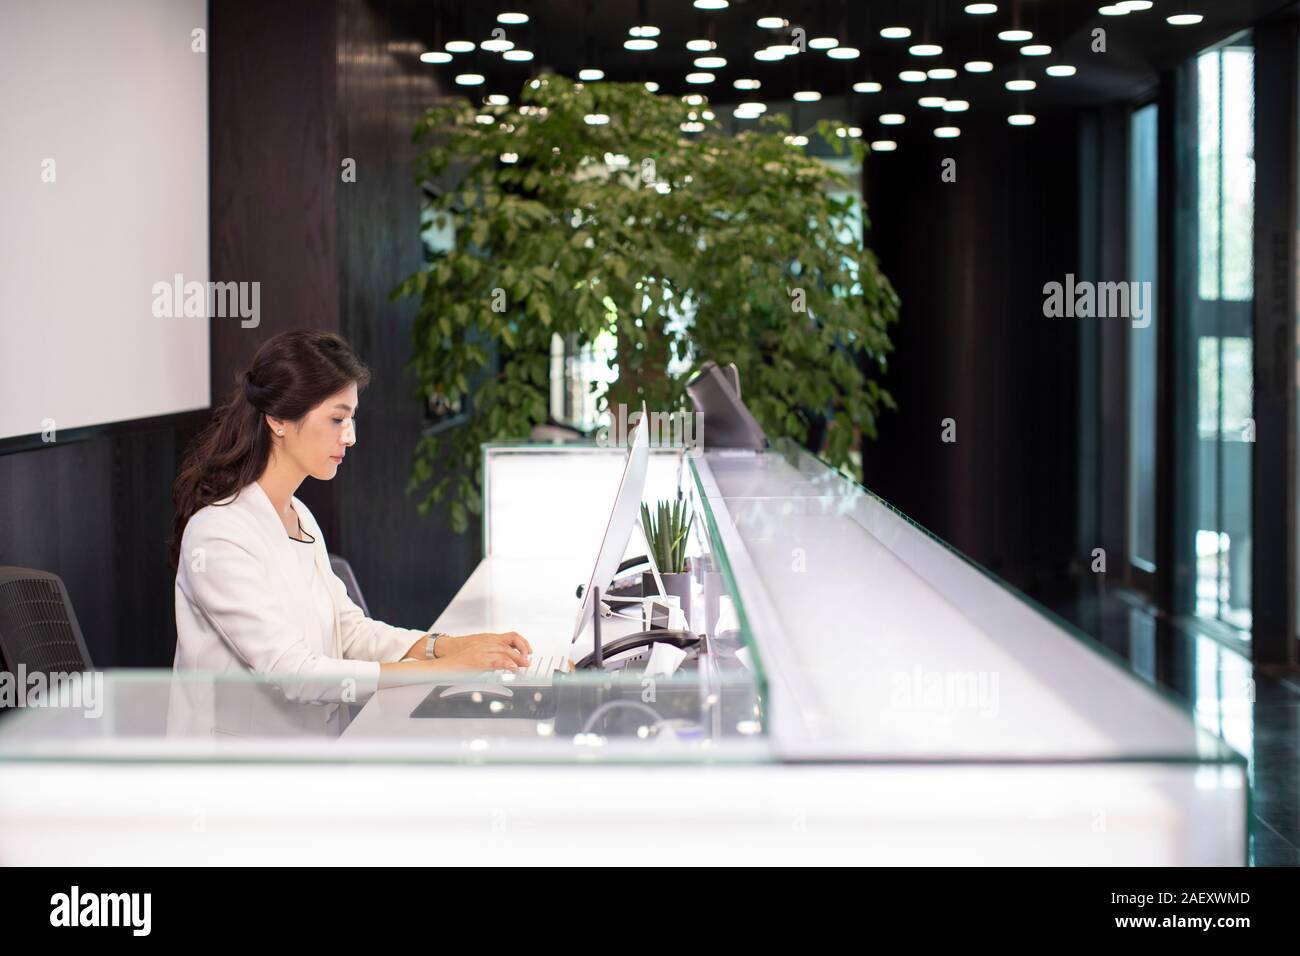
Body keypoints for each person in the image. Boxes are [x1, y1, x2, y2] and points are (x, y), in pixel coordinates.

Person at [170, 329, 529, 725]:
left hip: (309, 755)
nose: (350, 436)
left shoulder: (299, 515)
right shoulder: (218, 534)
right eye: (337, 418)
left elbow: (349, 632)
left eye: (351, 418)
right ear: (277, 419)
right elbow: (294, 673)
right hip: (239, 776)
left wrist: (445, 647)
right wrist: (448, 668)